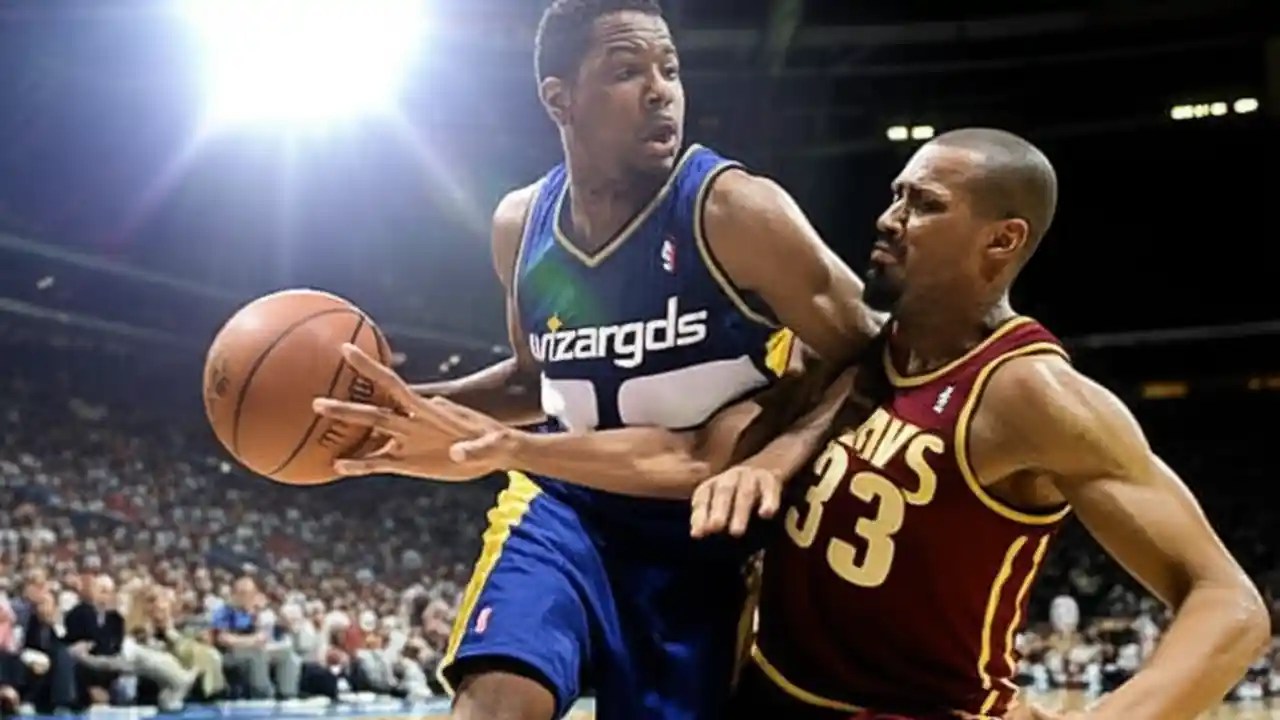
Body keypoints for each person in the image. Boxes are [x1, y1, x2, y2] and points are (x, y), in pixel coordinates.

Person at [380, 128, 1271, 720]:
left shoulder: (1032, 395)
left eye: (925, 205)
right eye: (894, 194)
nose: (888, 218)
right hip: (765, 698)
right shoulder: (832, 358)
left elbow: (1229, 606)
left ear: (1001, 242)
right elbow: (693, 451)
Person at [312, 1, 881, 718]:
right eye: (626, 70)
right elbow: (536, 379)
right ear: (560, 97)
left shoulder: (732, 212)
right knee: (492, 704)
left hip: (707, 538)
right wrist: (396, 403)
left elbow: (878, 353)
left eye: (669, 70)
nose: (660, 89)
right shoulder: (522, 226)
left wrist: (781, 455)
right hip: (566, 510)